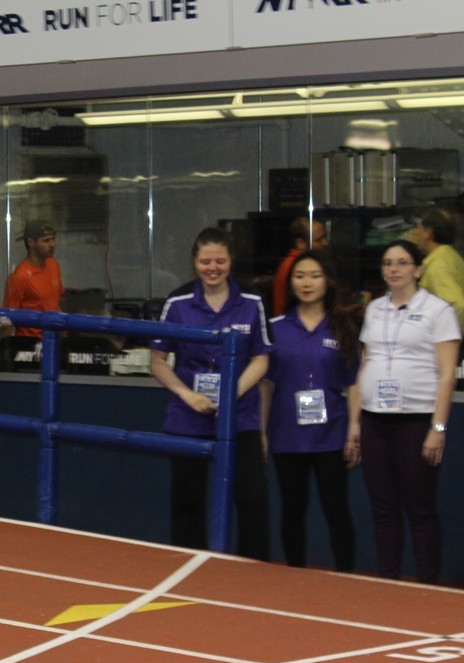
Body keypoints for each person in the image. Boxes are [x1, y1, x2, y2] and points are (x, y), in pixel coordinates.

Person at [150, 227, 273, 560]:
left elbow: (262, 358)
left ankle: (253, 570)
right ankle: (189, 571)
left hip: (240, 417)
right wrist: (187, 395)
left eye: (220, 260)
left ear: (231, 261)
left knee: (252, 498)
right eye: (206, 261)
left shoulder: (252, 302)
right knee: (187, 500)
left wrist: (231, 395)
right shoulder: (177, 303)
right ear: (194, 263)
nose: (213, 267)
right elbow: (157, 362)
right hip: (188, 416)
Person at [357, 239, 459, 584]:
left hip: (416, 420)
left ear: (418, 269)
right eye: (387, 263)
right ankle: (389, 582)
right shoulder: (374, 309)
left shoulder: (438, 311)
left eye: (402, 263)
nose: (394, 269)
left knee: (420, 508)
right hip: (374, 420)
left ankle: (428, 584)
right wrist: (357, 421)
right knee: (383, 508)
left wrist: (438, 428)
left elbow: (447, 374)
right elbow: (365, 362)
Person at [259, 253, 360, 571]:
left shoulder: (343, 326)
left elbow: (354, 382)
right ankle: (294, 576)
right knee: (292, 509)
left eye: (315, 275)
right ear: (290, 283)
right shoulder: (274, 328)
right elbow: (265, 385)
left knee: (336, 508)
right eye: (300, 276)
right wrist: (261, 432)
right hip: (288, 435)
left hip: (332, 434)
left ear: (328, 281)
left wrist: (355, 429)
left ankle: (347, 576)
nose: (307, 282)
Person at [1, 218, 64, 362]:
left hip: (54, 341)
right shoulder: (20, 277)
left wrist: (64, 339)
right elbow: (6, 318)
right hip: (30, 346)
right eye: (46, 241)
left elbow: (57, 305)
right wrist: (5, 358)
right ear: (31, 242)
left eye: (53, 240)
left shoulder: (53, 266)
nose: (52, 245)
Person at [412, 208, 464, 333]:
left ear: (428, 233)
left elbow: (459, 306)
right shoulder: (451, 256)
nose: (415, 234)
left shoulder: (438, 267)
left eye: (419, 228)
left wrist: (448, 340)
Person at [269, 216, 329, 316]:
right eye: (319, 240)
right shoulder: (293, 265)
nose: (325, 243)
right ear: (300, 243)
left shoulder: (292, 263)